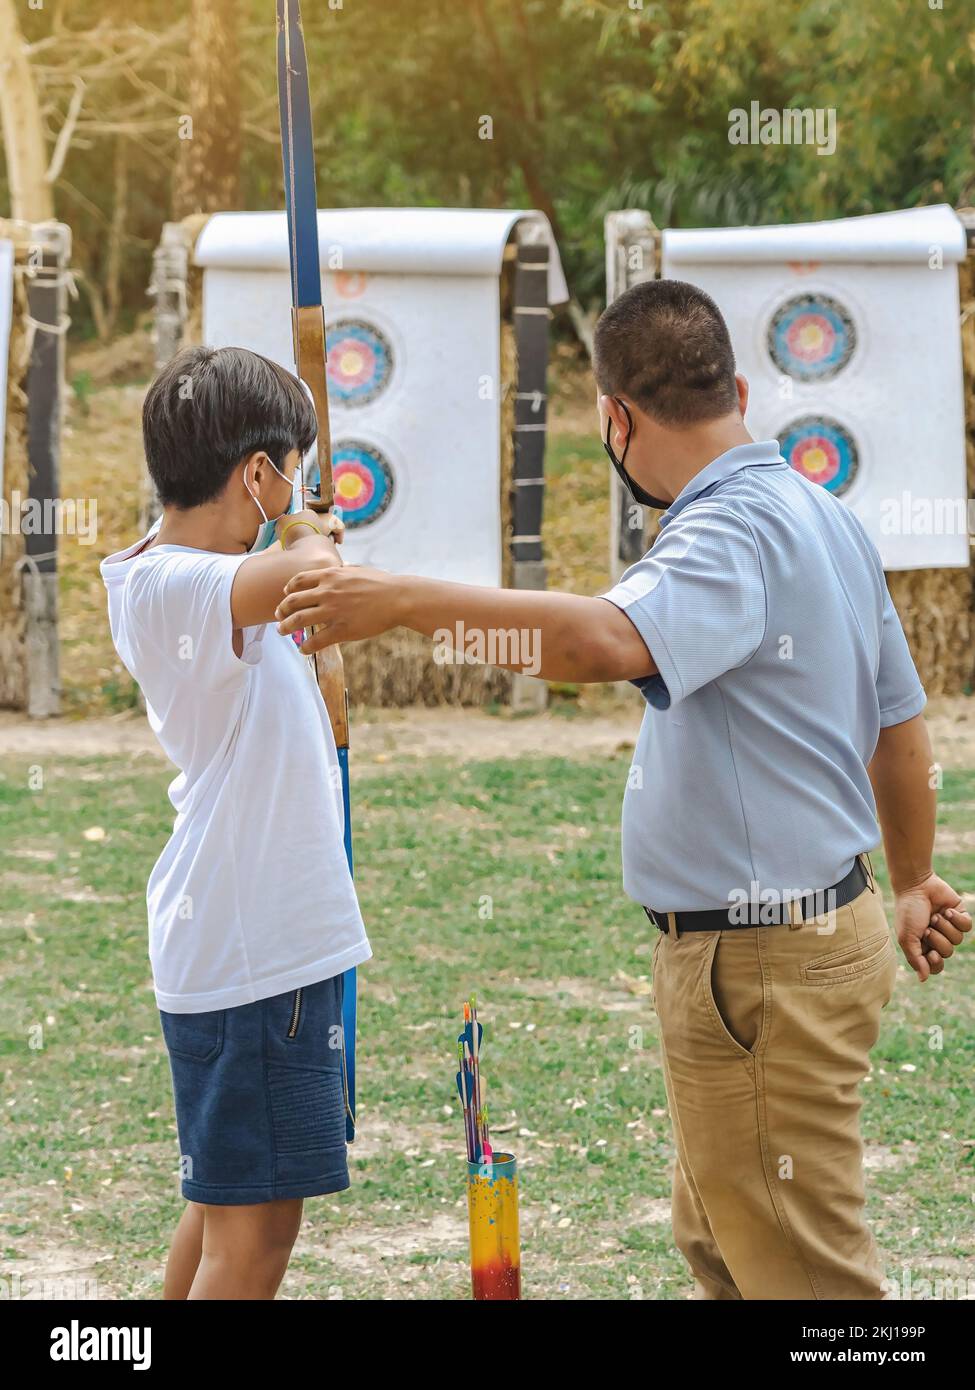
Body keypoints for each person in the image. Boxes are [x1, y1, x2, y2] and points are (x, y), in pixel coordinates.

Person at [274, 279, 971, 1301]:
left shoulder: (729, 530)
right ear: (733, 385)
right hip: (807, 935)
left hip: (763, 965)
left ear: (614, 417)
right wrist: (913, 878)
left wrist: (399, 601)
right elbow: (900, 724)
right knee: (732, 1248)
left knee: (808, 1284)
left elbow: (602, 639)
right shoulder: (823, 513)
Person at [100, 345, 371, 1300]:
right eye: (285, 469)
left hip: (245, 947)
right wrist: (305, 527)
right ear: (255, 476)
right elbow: (310, 572)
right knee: (253, 1237)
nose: (293, 489)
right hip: (253, 956)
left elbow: (293, 573)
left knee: (225, 1209)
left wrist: (293, 519)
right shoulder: (177, 585)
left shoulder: (177, 569)